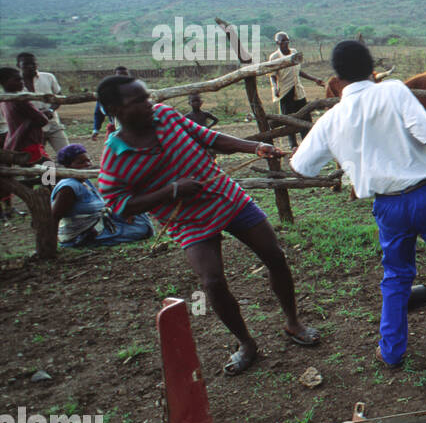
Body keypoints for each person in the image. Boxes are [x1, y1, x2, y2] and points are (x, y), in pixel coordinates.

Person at [96, 74, 320, 374]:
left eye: (147, 96)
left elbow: (209, 138)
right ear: (114, 109)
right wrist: (171, 192)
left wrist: (253, 148)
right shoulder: (115, 157)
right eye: (139, 101)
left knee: (275, 256)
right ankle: (246, 343)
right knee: (212, 282)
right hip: (188, 221)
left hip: (227, 197)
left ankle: (293, 322)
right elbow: (117, 203)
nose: (150, 104)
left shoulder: (165, 116)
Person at [291, 40, 426, 367]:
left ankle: (391, 351)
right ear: (373, 70)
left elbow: (299, 168)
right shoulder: (393, 91)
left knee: (396, 277)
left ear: (338, 79)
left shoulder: (331, 118)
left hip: (389, 208)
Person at [49, 144, 153, 248]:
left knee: (137, 213)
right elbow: (54, 217)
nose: (88, 164)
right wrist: (51, 245)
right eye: (81, 162)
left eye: (88, 160)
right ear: (68, 166)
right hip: (81, 236)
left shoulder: (84, 181)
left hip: (97, 225)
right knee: (141, 228)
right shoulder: (68, 187)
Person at [1, 66, 49, 220]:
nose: (21, 82)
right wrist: (43, 114)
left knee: (39, 172)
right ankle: (42, 205)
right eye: (17, 79)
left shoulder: (5, 100)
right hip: (29, 143)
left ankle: (30, 197)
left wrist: (32, 119)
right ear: (4, 82)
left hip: (17, 142)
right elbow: (42, 120)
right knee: (50, 172)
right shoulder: (20, 100)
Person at [267, 31, 325, 147]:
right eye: (283, 40)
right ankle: (293, 145)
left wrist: (314, 79)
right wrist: (275, 87)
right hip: (285, 91)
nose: (285, 42)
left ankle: (308, 143)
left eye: (287, 40)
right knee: (288, 120)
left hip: (298, 90)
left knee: (305, 118)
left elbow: (298, 71)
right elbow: (272, 74)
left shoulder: (294, 52)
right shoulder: (274, 57)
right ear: (277, 42)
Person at [17, 53, 69, 154]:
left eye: (33, 64)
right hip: (31, 128)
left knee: (67, 154)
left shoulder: (48, 77)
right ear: (18, 65)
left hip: (52, 123)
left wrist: (50, 110)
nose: (30, 67)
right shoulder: (16, 83)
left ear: (37, 64)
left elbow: (59, 97)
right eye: (26, 64)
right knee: (36, 158)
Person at [92, 67, 130, 140]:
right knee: (110, 148)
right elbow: (99, 112)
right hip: (113, 127)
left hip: (131, 128)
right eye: (120, 75)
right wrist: (96, 129)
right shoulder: (106, 92)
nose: (122, 77)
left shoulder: (134, 91)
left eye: (125, 75)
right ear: (115, 76)